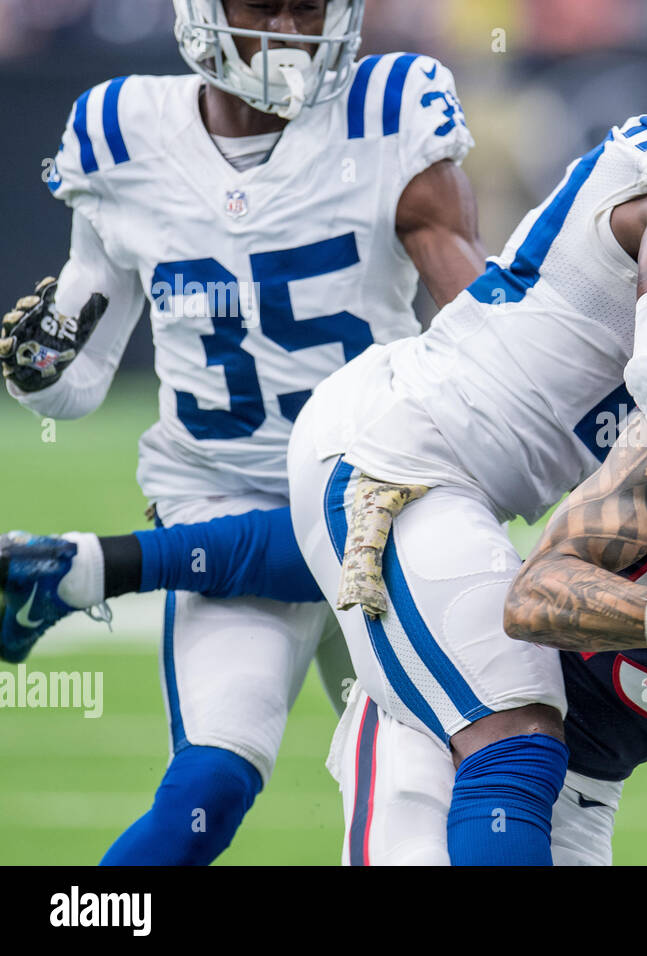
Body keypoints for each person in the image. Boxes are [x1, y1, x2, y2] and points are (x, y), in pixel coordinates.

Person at [4, 0, 647, 865]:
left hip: (443, 466)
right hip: (399, 446)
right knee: (514, 739)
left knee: (495, 737)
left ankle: (88, 567)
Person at [3, 293, 647, 864]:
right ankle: (95, 563)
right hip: (453, 719)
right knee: (393, 553)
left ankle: (86, 566)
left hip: (583, 794)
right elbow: (533, 594)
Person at [0, 0, 485, 865]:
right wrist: (39, 370)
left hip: (372, 487)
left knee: (445, 795)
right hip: (219, 488)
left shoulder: (388, 109)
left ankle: (85, 567)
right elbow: (76, 384)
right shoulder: (120, 131)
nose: (296, 30)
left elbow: (479, 326)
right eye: (269, 5)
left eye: (314, 7)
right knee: (208, 789)